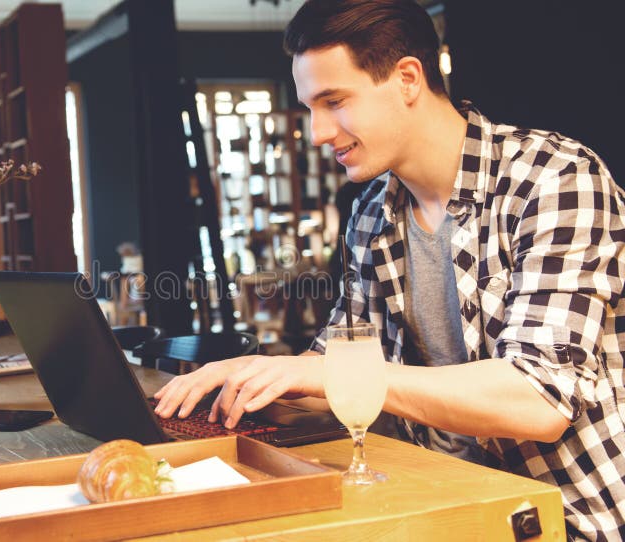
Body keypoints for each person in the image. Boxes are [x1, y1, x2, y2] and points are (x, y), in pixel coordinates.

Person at [153, 0, 625, 539]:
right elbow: (340, 357)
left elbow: (540, 398)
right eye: (310, 106)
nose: (317, 131)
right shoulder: (374, 210)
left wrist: (326, 372)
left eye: (334, 101)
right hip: (433, 494)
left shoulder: (556, 180)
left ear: (407, 79)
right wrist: (248, 373)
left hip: (567, 517)